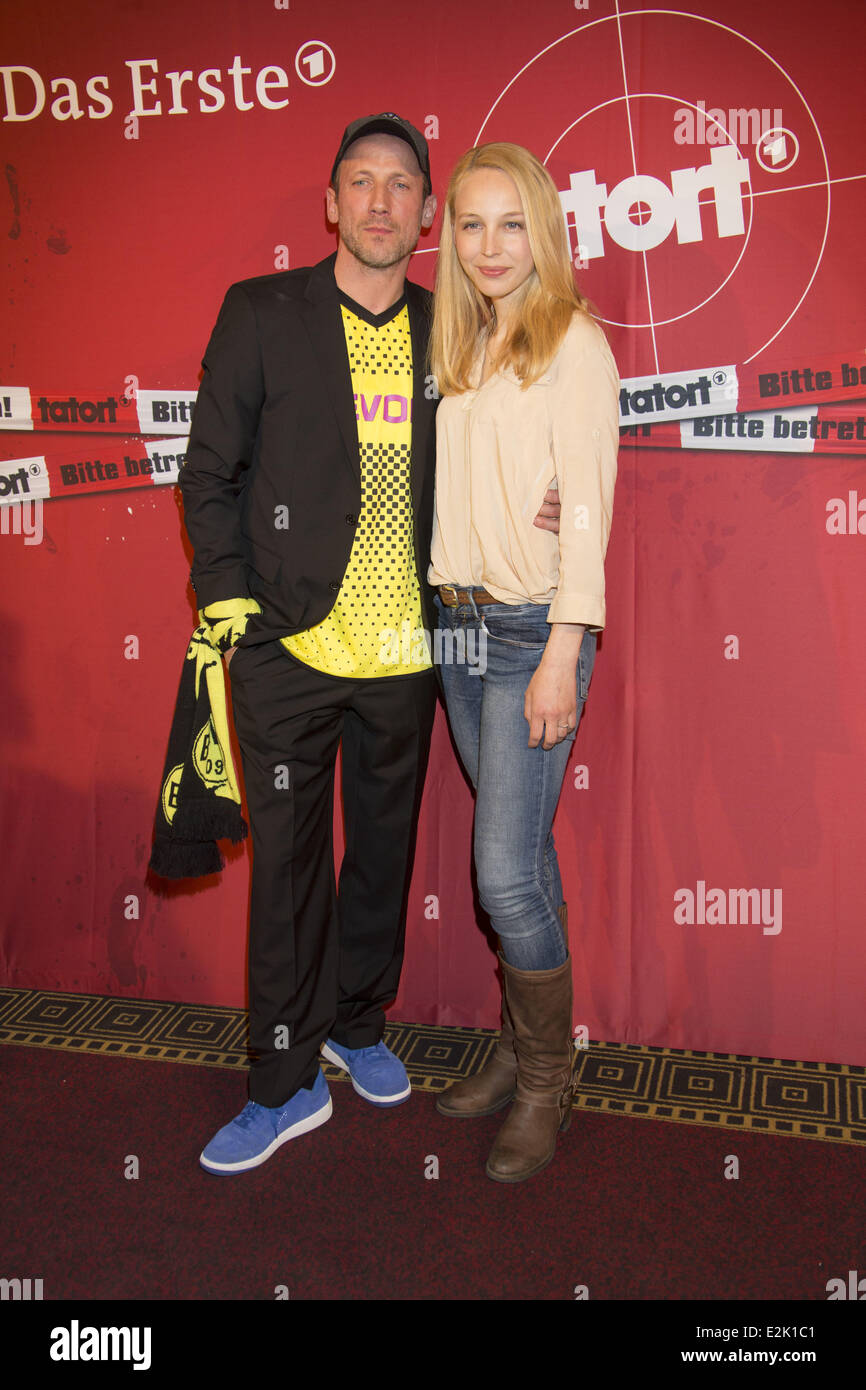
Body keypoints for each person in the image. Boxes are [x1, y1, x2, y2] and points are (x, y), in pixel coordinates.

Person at [179, 115, 561, 1175]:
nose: (383, 203)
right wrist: (232, 613)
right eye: (362, 183)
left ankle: (354, 1023)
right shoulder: (262, 314)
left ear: (425, 213)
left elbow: (507, 443)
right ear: (332, 203)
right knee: (288, 870)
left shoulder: (454, 331)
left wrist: (550, 494)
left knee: (382, 857)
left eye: (402, 186)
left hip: (412, 652)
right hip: (288, 652)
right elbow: (207, 474)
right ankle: (281, 1080)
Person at [428, 142, 620, 1183]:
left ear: (540, 229)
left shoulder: (571, 343)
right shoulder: (461, 345)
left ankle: (546, 1076)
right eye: (470, 224)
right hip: (452, 629)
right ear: (449, 236)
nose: (490, 245)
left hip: (527, 633)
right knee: (520, 859)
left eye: (510, 223)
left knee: (499, 872)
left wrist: (562, 646)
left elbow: (584, 511)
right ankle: (515, 1047)